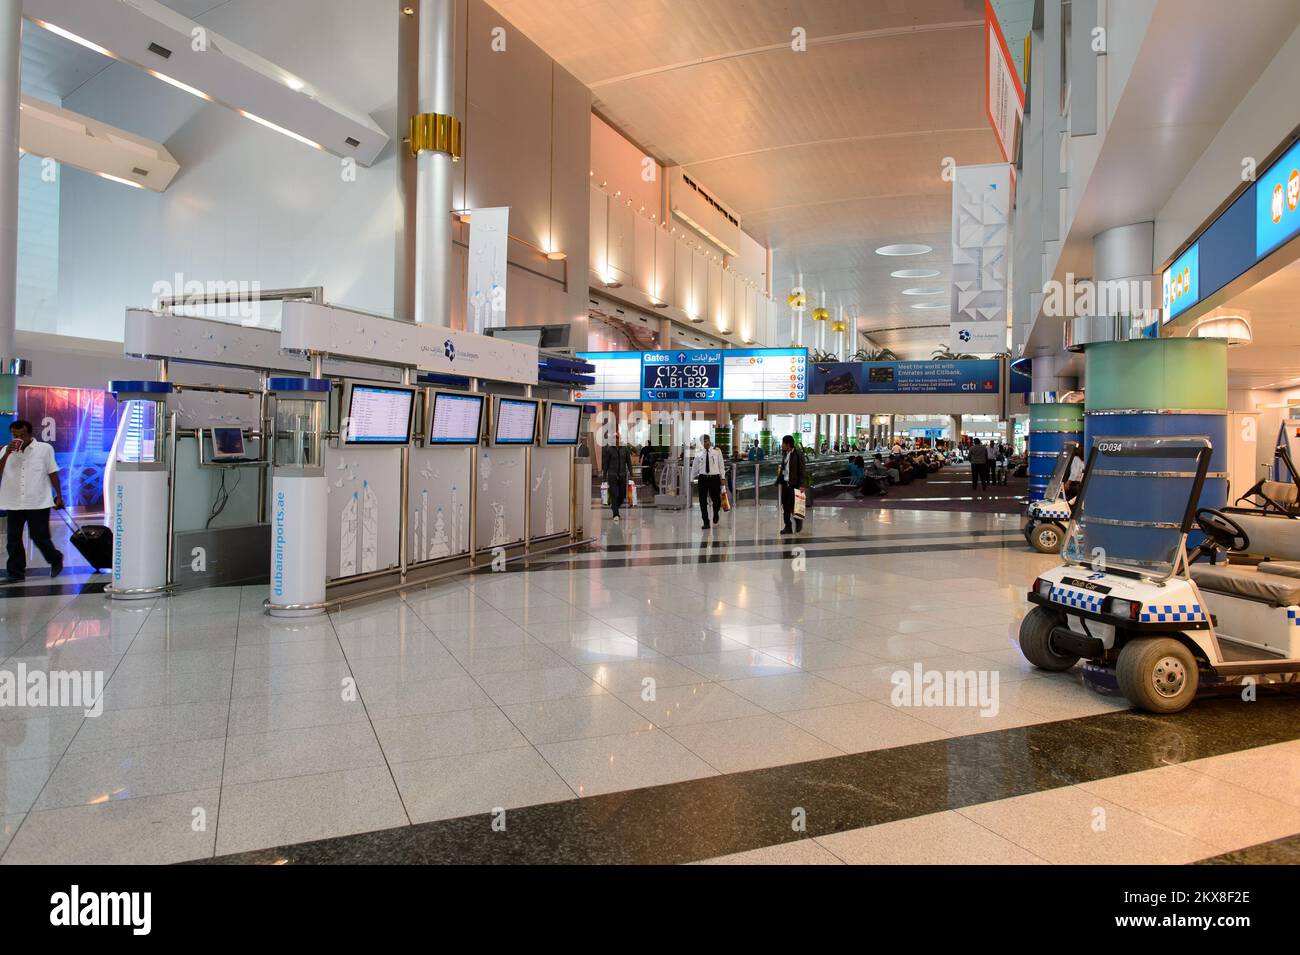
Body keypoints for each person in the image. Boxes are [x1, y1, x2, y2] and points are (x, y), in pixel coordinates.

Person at [0, 419, 65, 581]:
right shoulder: (5, 451)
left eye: (22, 434)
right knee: (13, 539)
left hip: (38, 501)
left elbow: (52, 472)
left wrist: (59, 495)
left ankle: (55, 558)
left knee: (39, 537)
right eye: (15, 435)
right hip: (14, 501)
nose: (19, 438)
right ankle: (15, 572)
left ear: (30, 434)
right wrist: (7, 453)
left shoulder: (44, 449)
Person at [692, 434, 725, 530]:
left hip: (714, 479)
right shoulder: (699, 453)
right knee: (702, 501)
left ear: (709, 441)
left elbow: (721, 465)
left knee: (717, 500)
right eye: (704, 441)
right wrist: (691, 478)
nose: (706, 443)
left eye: (707, 441)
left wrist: (722, 478)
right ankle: (706, 522)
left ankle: (715, 513)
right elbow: (695, 467)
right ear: (701, 443)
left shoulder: (717, 451)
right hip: (702, 479)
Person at [776, 435, 806, 535]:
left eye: (783, 443)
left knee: (793, 506)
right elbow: (783, 469)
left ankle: (798, 522)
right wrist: (778, 481)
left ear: (788, 444)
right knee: (785, 506)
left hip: (794, 484)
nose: (782, 445)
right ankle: (787, 526)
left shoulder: (798, 454)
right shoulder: (785, 454)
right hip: (786, 483)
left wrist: (802, 484)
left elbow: (802, 470)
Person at [602, 433, 633, 523]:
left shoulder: (625, 449)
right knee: (614, 494)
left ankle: (614, 506)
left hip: (623, 474)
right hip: (612, 475)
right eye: (614, 438)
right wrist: (604, 475)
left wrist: (631, 473)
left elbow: (629, 462)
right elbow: (606, 463)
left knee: (622, 495)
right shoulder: (609, 450)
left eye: (617, 438)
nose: (616, 440)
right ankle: (616, 513)